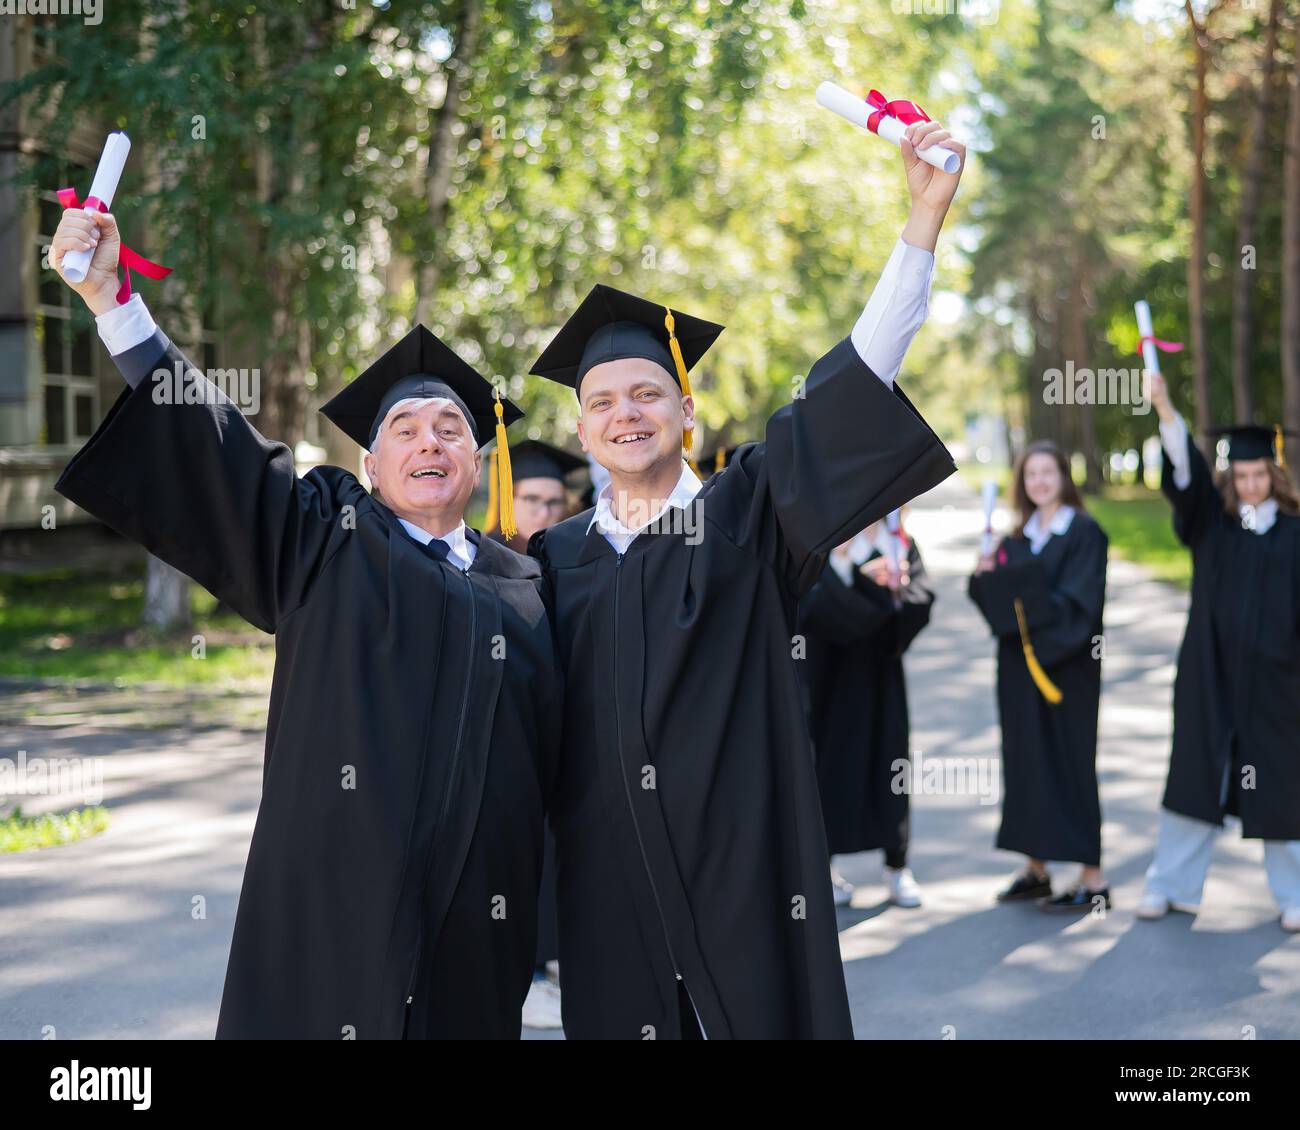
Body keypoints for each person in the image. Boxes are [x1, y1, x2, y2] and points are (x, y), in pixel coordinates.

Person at [48, 205, 562, 1038]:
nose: (428, 441)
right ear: (371, 463)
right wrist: (116, 305)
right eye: (404, 429)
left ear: (479, 461)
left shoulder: (532, 590)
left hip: (476, 932)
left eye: (451, 428)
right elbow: (217, 446)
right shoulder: (325, 538)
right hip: (327, 914)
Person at [527, 118, 963, 1038]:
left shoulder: (747, 515)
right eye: (601, 403)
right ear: (582, 433)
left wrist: (919, 225)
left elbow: (850, 384)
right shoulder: (551, 562)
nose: (625, 414)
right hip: (609, 890)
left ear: (688, 410)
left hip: (746, 874)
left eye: (647, 393)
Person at [1139, 373, 1300, 932]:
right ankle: (1169, 885)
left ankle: (1293, 895)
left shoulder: (1296, 534)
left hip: (1278, 682)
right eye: (1243, 474)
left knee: (1280, 781)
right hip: (1209, 674)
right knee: (1192, 775)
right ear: (1231, 475)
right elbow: (1184, 475)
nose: (1252, 484)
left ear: (1274, 475)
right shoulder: (1213, 523)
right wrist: (1165, 410)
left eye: (1261, 474)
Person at [969, 442, 1109, 912]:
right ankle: (1037, 870)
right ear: (1022, 483)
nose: (1040, 482)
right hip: (1018, 672)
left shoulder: (1086, 534)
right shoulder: (1015, 537)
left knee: (1069, 763)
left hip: (1067, 671)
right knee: (1027, 763)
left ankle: (1093, 877)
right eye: (1031, 475)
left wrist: (1019, 578)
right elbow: (997, 609)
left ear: (1063, 476)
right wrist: (986, 572)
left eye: (1048, 472)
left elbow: (1080, 608)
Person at [485, 438, 585, 1029]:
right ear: (504, 497)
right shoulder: (475, 560)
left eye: (555, 501)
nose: (545, 512)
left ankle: (548, 970)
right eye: (531, 499)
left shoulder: (572, 561)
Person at [798, 517, 933, 910]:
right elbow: (805, 605)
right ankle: (824, 867)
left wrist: (895, 590)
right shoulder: (823, 538)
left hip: (879, 677)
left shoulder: (897, 541)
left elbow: (918, 606)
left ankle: (897, 867)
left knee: (889, 767)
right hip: (825, 677)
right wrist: (846, 569)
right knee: (824, 767)